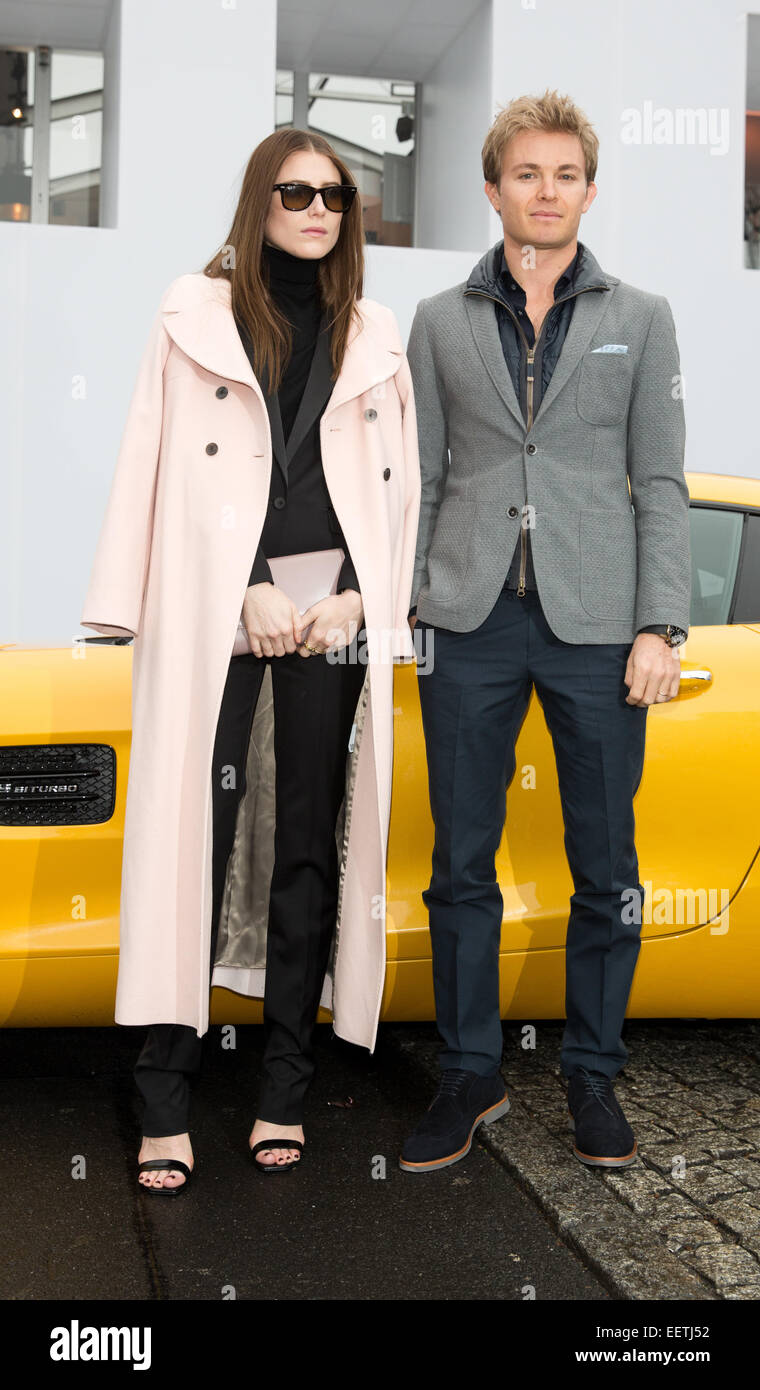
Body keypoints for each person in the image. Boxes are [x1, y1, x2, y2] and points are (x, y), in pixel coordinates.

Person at [80, 128, 420, 1191]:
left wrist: (367, 596)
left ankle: (283, 1083)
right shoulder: (194, 314)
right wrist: (235, 590)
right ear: (258, 200)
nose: (317, 210)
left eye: (335, 196)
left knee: (308, 846)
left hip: (330, 621)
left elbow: (399, 486)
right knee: (196, 836)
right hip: (215, 609)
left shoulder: (373, 333)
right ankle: (165, 1093)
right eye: (294, 191)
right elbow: (150, 458)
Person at [400, 90, 690, 1173]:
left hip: (599, 625)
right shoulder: (437, 319)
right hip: (467, 618)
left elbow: (657, 480)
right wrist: (412, 601)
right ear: (493, 189)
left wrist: (659, 623)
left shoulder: (642, 315)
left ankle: (590, 1074)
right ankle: (471, 1074)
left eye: (565, 173)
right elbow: (423, 477)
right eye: (526, 173)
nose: (546, 190)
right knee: (459, 862)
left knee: (604, 861)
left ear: (588, 187)